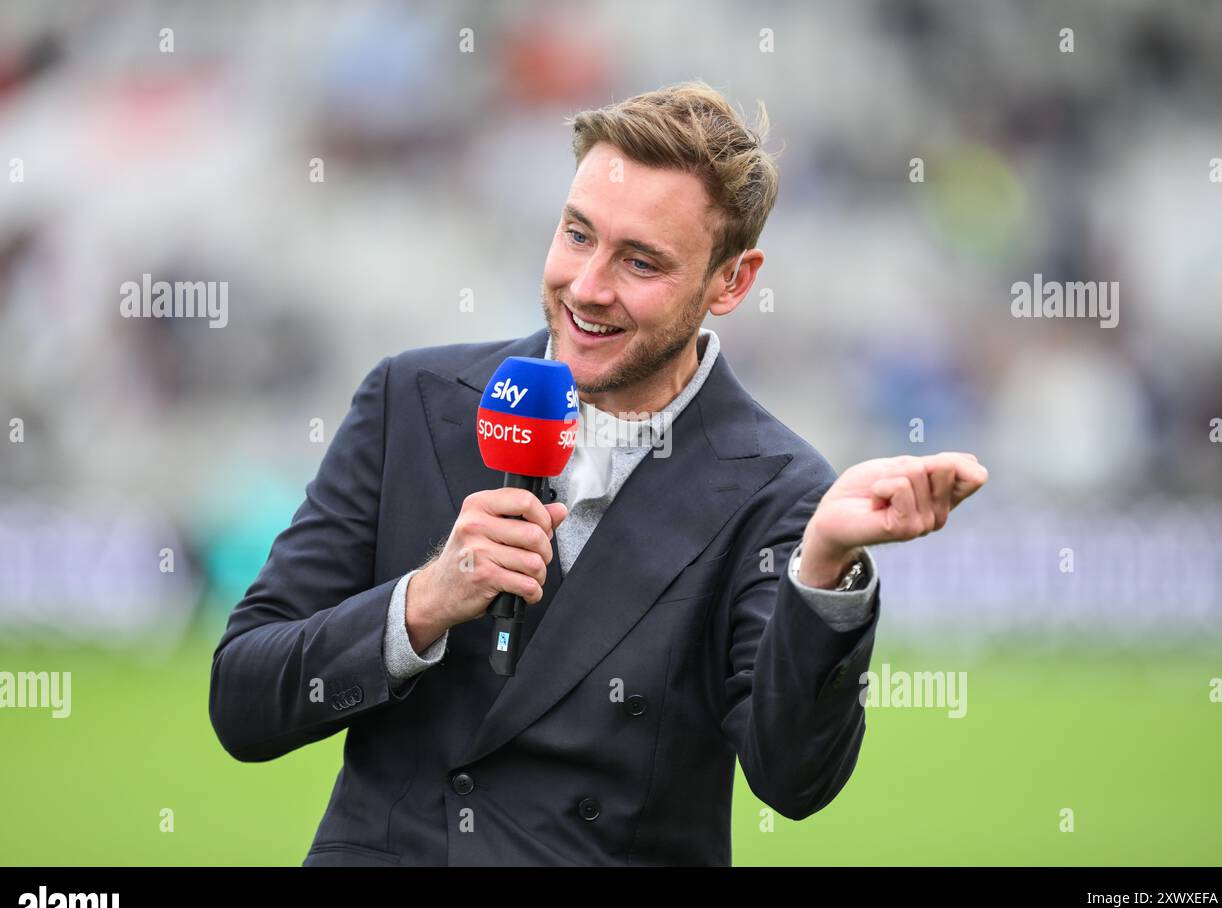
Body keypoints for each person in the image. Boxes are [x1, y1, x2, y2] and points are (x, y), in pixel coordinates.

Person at [208, 81, 988, 866]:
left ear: (732, 281)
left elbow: (792, 780)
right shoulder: (409, 401)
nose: (587, 287)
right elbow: (243, 703)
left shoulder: (778, 488)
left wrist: (822, 570)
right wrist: (422, 604)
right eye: (578, 236)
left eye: (640, 261)